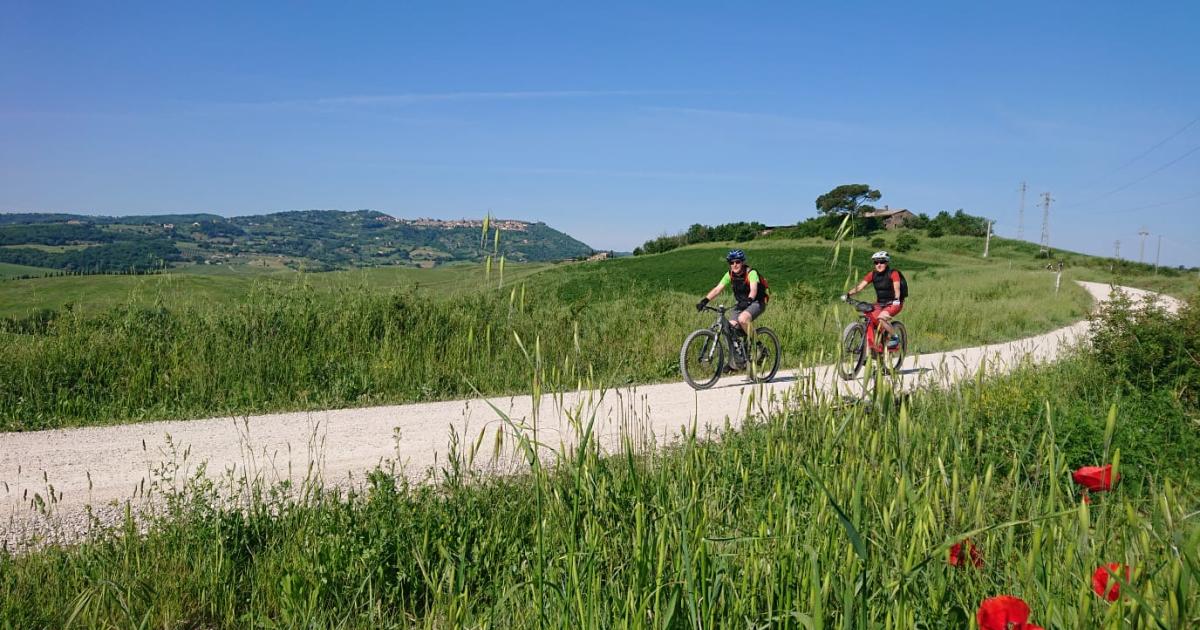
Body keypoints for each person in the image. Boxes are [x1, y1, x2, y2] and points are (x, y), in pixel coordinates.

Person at [696, 249, 767, 365]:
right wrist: (704, 300)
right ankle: (734, 362)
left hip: (757, 302)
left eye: (737, 262)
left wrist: (749, 300)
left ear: (742, 262)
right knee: (728, 329)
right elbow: (718, 289)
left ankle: (759, 347)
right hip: (741, 304)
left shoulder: (751, 273)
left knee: (743, 319)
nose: (734, 265)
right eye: (731, 262)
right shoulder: (730, 274)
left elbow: (754, 290)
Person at [844, 250, 903, 348]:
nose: (879, 265)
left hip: (894, 303)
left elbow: (897, 288)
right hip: (880, 303)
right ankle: (872, 348)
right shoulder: (872, 274)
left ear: (887, 262)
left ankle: (895, 337)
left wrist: (897, 299)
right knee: (869, 317)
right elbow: (860, 287)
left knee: (881, 318)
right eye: (876, 262)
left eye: (882, 262)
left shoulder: (893, 273)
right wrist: (848, 294)